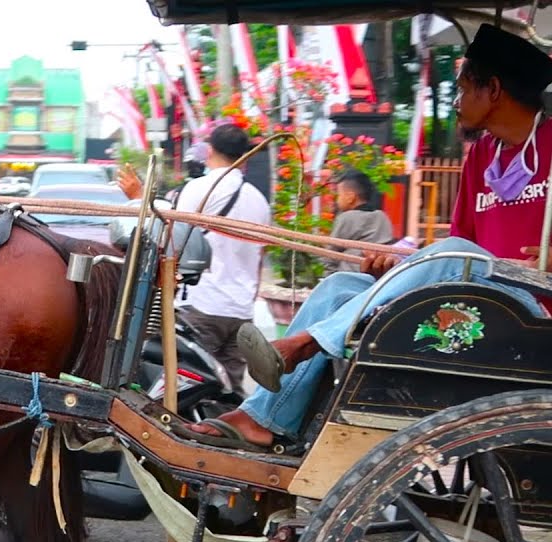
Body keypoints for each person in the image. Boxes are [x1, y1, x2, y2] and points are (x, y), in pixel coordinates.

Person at [177, 22, 552, 451]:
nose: (456, 101)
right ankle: (263, 417)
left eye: (464, 89)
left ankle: (305, 343)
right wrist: (400, 269)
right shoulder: (482, 155)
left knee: (457, 254)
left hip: (533, 312)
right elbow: (461, 242)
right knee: (340, 285)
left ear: (494, 90)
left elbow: (460, 252)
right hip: (480, 302)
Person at [158, 124, 273, 385]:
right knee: (230, 390)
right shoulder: (259, 200)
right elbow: (260, 256)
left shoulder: (198, 189)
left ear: (209, 150)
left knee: (189, 385)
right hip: (241, 310)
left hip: (201, 304)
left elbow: (174, 240)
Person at [321, 169, 397, 274]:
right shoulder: (382, 217)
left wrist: (328, 277)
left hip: (349, 274)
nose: (337, 200)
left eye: (339, 195)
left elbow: (331, 254)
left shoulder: (346, 218)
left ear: (350, 197)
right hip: (379, 276)